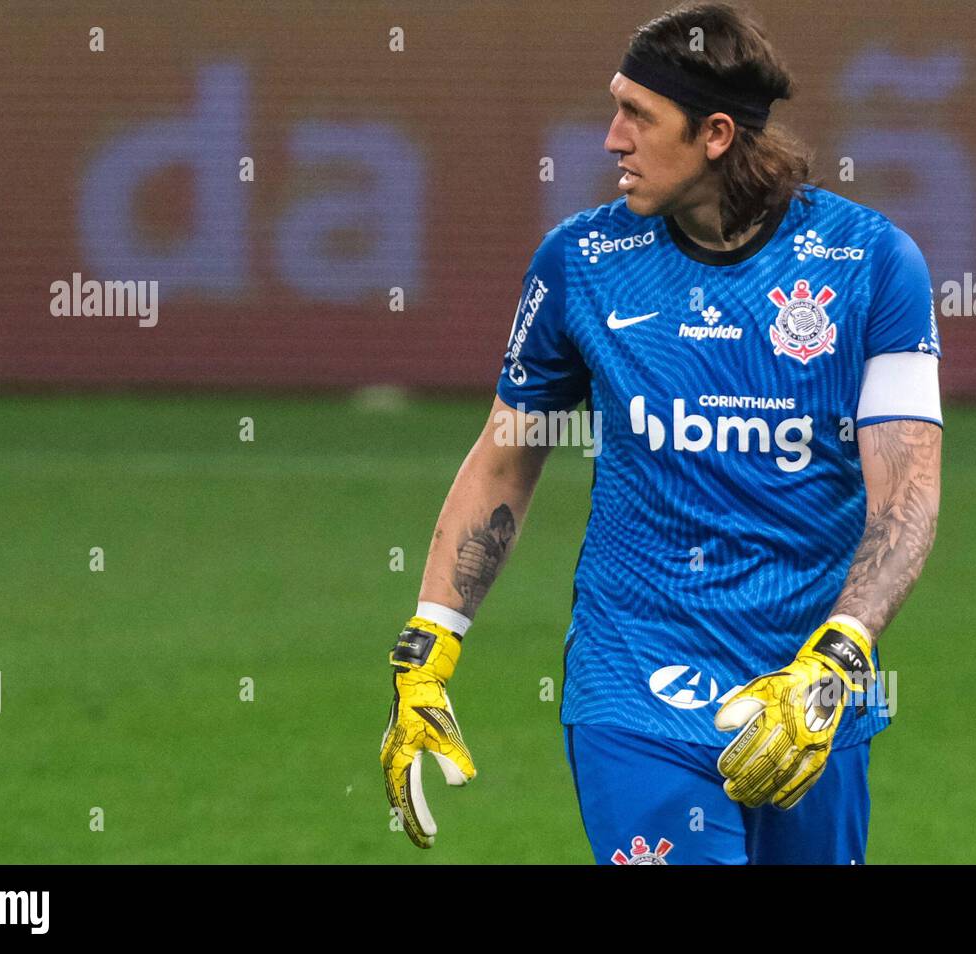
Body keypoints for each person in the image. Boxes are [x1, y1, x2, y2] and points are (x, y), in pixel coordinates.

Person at [380, 0, 942, 865]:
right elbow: (505, 459)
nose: (611, 138)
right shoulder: (579, 265)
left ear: (716, 134)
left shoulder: (870, 264)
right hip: (632, 681)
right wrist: (429, 644)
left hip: (805, 690)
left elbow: (905, 497)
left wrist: (838, 660)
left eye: (638, 115)